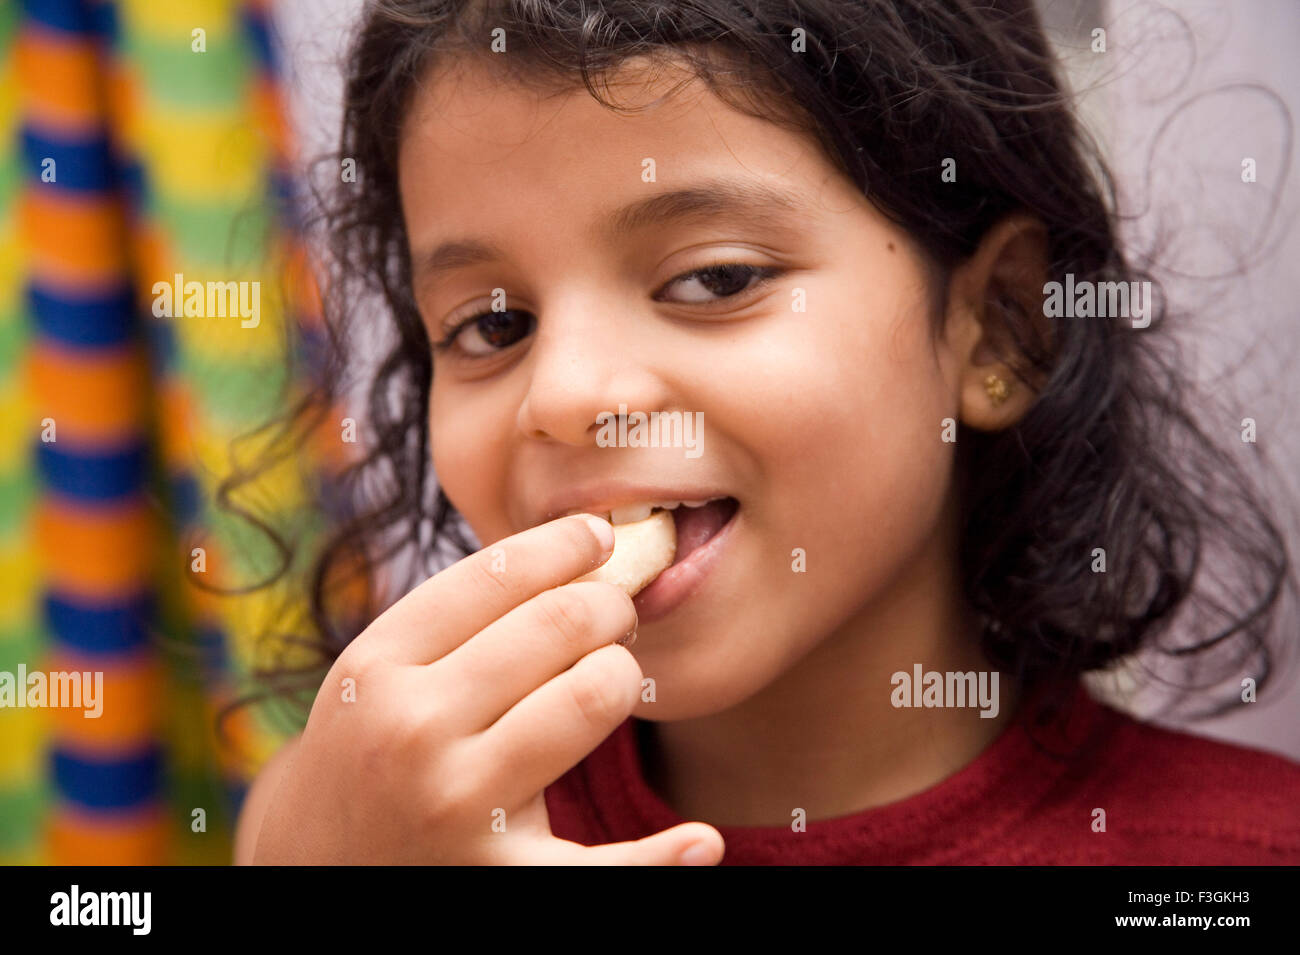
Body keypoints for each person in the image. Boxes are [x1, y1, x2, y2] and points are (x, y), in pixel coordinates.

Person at [229, 0, 1300, 865]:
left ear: (999, 330)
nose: (561, 392)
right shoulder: (361, 830)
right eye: (492, 324)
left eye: (713, 278)